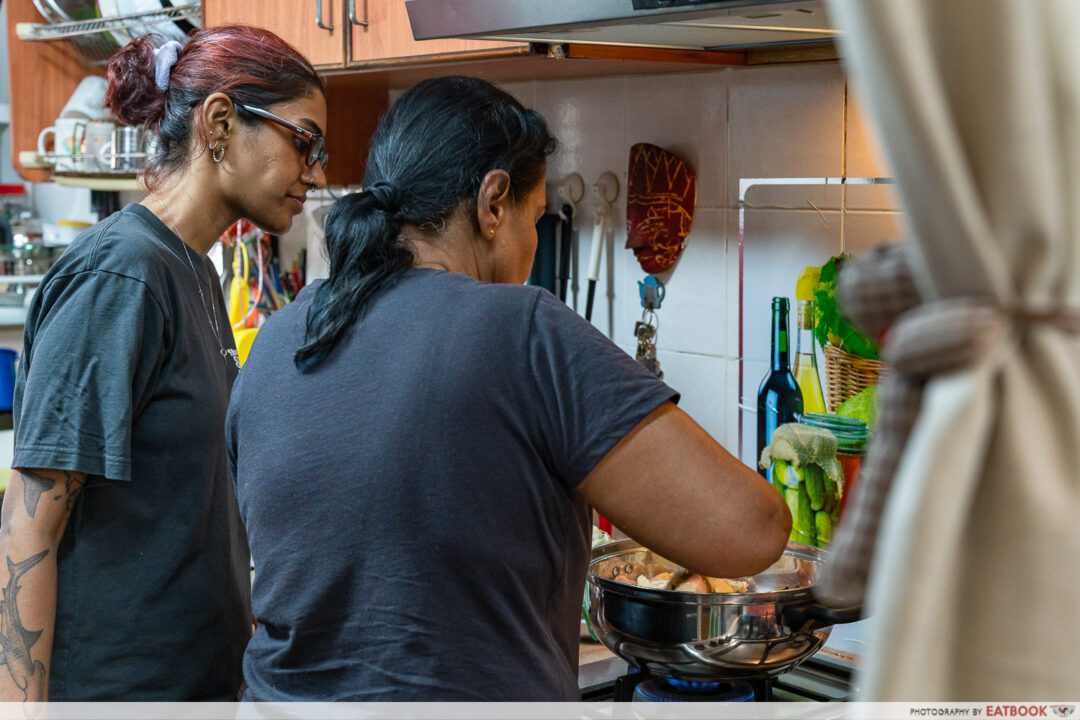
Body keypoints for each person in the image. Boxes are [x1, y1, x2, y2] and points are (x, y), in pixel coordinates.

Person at [226, 75, 791, 701]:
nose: (534, 242)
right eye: (537, 218)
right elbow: (751, 531)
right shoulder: (520, 329)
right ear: (494, 202)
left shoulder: (276, 341)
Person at [0, 26, 327, 702]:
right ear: (220, 122)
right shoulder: (121, 278)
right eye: (303, 140)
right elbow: (28, 526)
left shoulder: (192, 275)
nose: (315, 171)